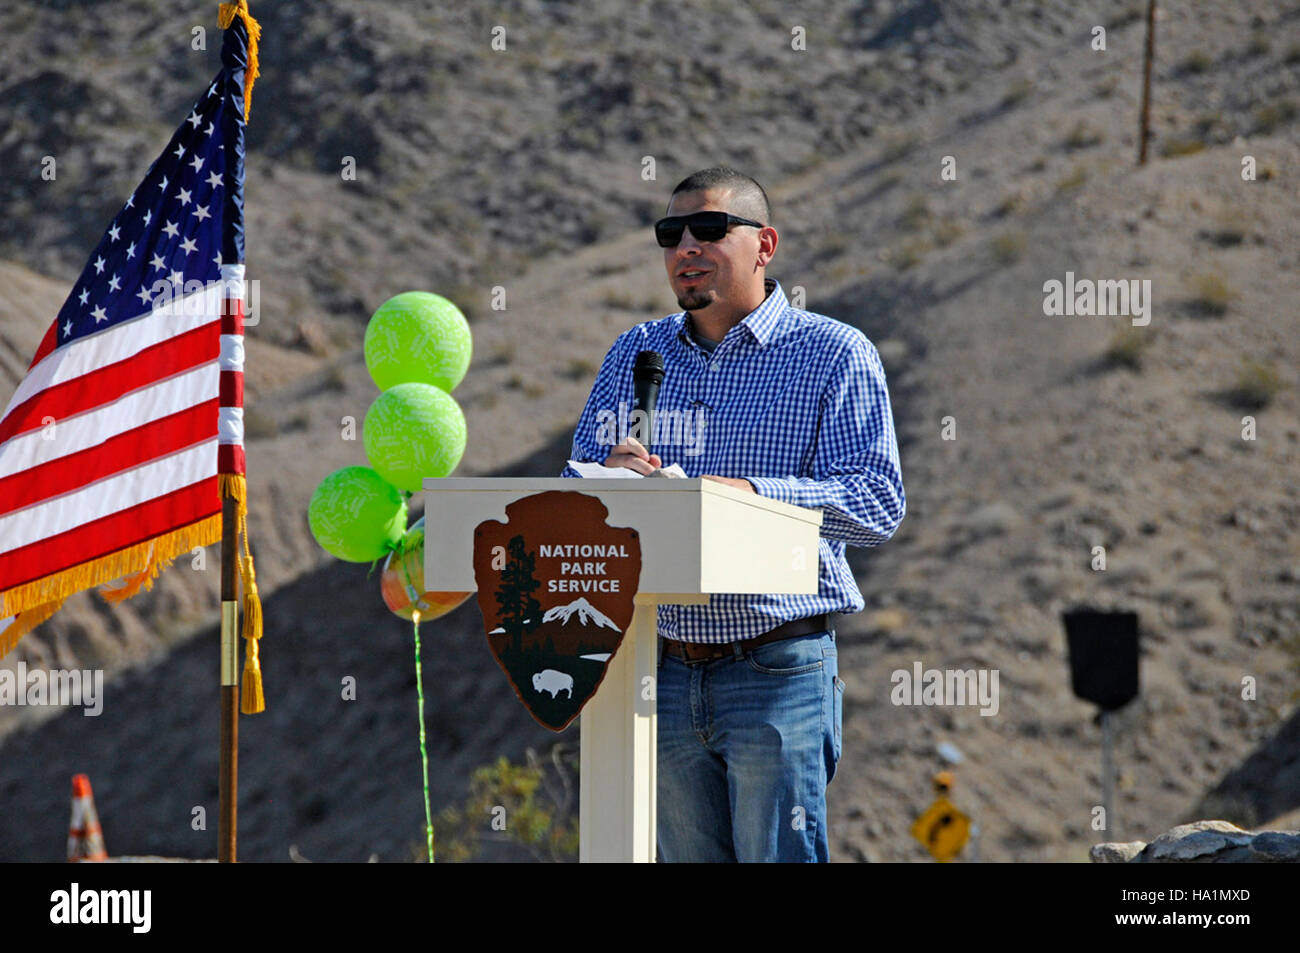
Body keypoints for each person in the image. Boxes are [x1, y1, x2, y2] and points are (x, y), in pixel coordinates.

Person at [561, 166, 905, 862]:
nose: (687, 245)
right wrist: (606, 482)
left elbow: (875, 502)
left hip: (775, 668)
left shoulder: (833, 354)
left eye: (710, 229)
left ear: (764, 243)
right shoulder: (635, 354)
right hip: (656, 671)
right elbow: (573, 496)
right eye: (671, 233)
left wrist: (748, 494)